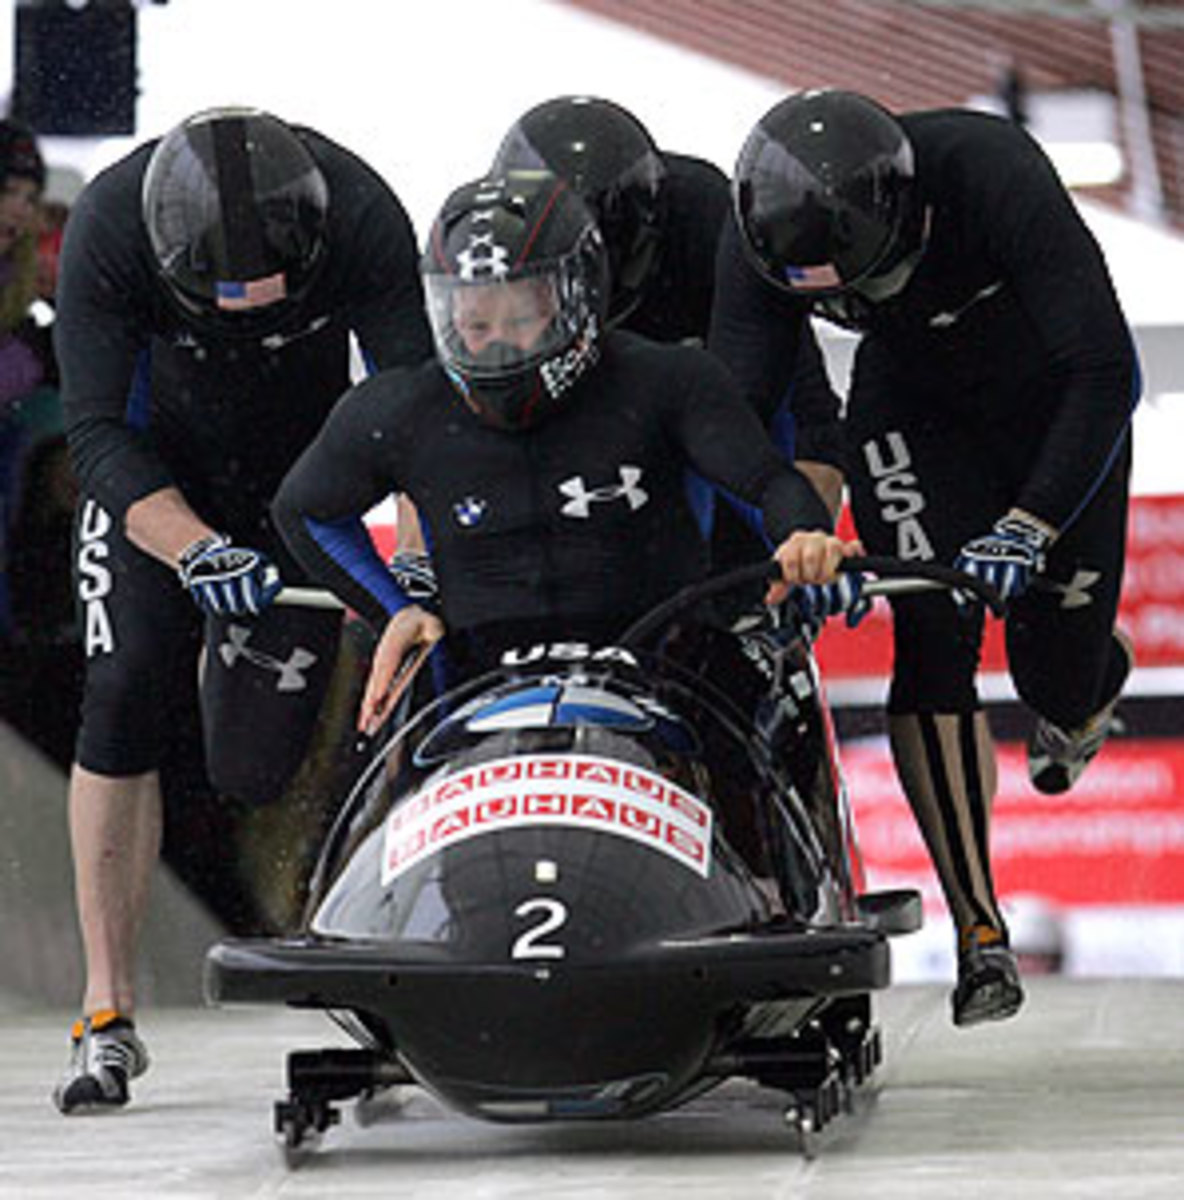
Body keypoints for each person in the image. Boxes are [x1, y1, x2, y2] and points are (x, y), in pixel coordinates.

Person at [710, 89, 1139, 1027]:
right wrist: (779, 537)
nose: (844, 304)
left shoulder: (992, 173)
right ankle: (980, 931)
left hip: (1053, 415)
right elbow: (731, 417)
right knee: (932, 630)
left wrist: (1029, 523)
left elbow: (1107, 371)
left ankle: (1088, 687)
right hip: (914, 412)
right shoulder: (761, 243)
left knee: (1053, 672)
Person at [52, 106, 433, 1114]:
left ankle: (402, 945)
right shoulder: (107, 226)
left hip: (298, 486)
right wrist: (191, 546)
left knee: (255, 767)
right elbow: (93, 431)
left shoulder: (358, 214)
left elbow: (416, 418)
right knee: (125, 681)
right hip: (153, 480)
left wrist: (422, 577)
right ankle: (106, 1007)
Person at [273, 170, 858, 744]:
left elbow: (766, 480)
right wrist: (394, 609)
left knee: (778, 724)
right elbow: (306, 510)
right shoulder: (398, 410)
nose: (498, 342)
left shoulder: (667, 380)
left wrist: (804, 537)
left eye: (521, 320)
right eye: (477, 324)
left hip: (664, 673)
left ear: (576, 296)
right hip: (477, 692)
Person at [489, 95, 846, 535]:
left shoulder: (711, 225)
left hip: (709, 414)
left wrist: (803, 539)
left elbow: (802, 412)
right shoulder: (487, 256)